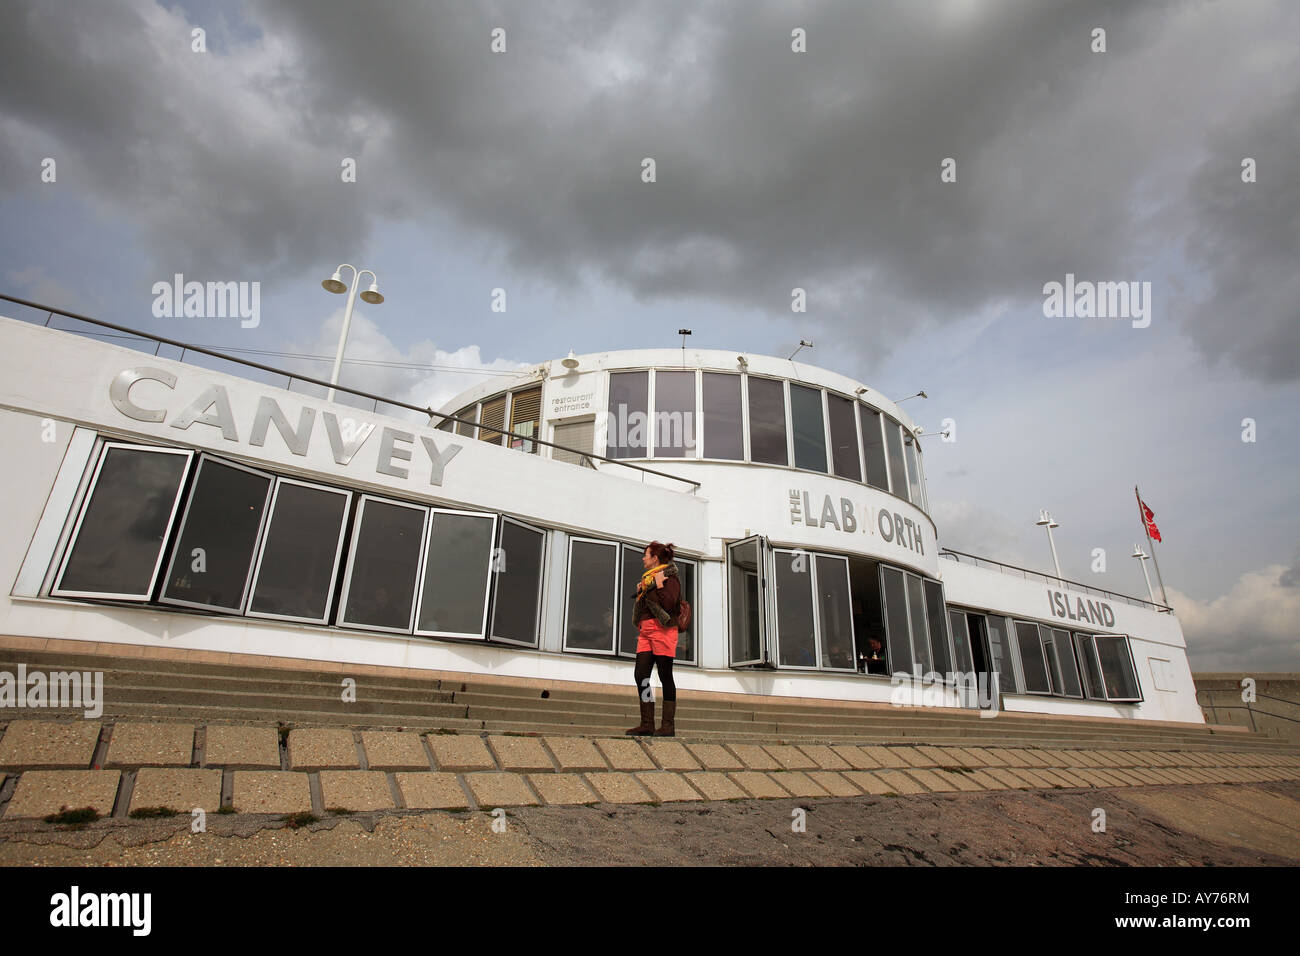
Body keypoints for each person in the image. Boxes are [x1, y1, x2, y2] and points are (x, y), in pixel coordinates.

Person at [625, 540, 682, 737]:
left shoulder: (670, 578)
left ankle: (668, 726)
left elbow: (669, 603)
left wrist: (658, 585)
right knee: (641, 675)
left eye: (646, 555)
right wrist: (643, 591)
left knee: (665, 675)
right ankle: (647, 723)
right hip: (646, 631)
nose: (643, 558)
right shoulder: (648, 579)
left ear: (655, 558)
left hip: (663, 631)